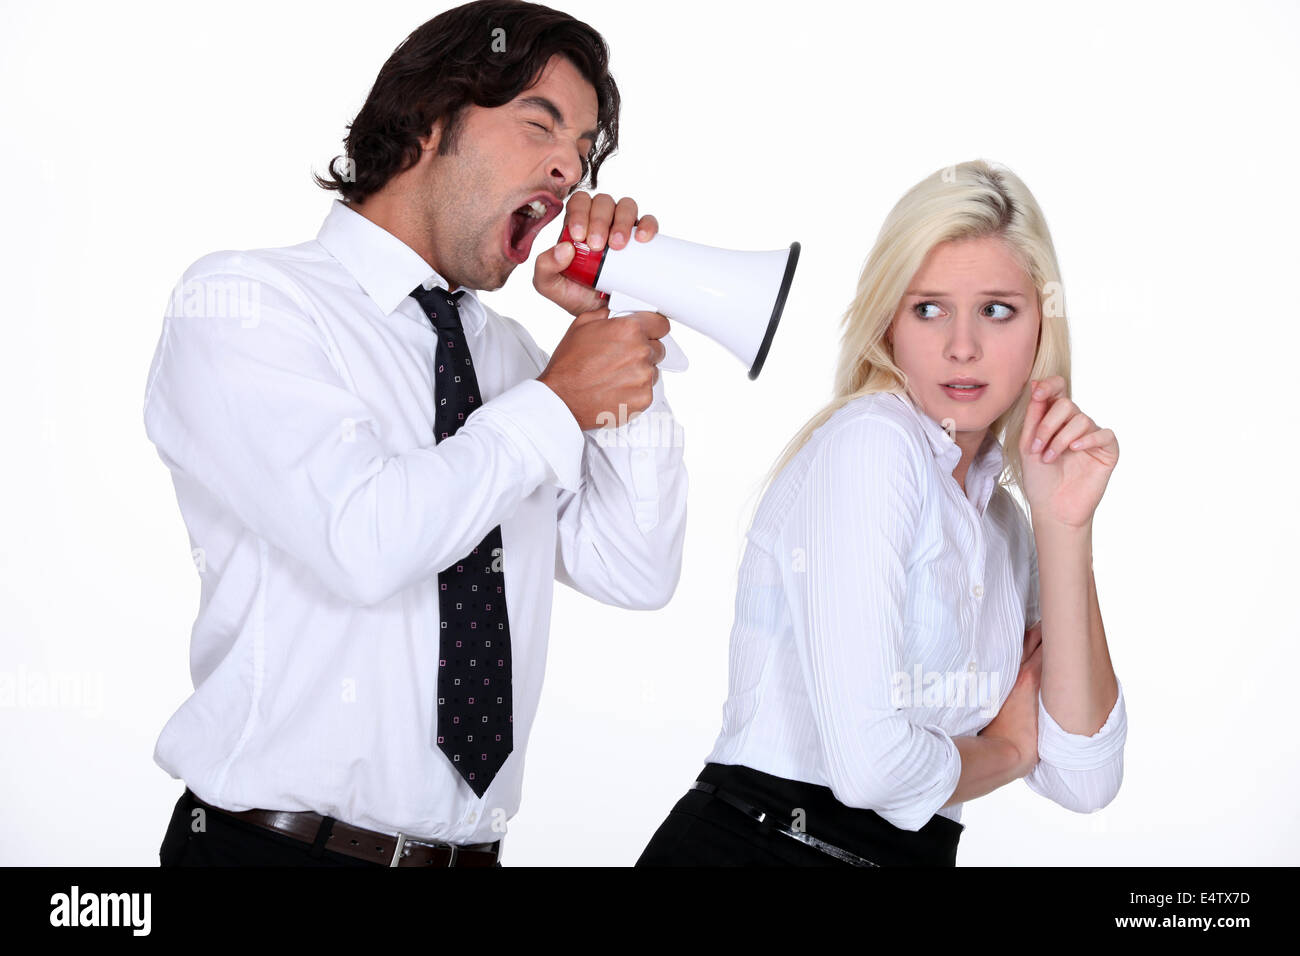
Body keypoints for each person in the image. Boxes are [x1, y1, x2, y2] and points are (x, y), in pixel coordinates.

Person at [145, 0, 688, 867]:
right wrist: (557, 400)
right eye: (539, 124)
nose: (567, 169)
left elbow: (634, 568)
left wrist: (616, 332)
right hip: (272, 855)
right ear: (432, 120)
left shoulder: (516, 363)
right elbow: (362, 539)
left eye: (583, 151)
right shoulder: (250, 304)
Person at [637, 159, 1126, 867]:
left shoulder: (1008, 528)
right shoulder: (874, 443)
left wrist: (1064, 526)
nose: (963, 345)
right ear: (889, 323)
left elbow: (1086, 777)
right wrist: (1009, 750)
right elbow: (870, 768)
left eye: (997, 309)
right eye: (928, 308)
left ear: (1039, 329)